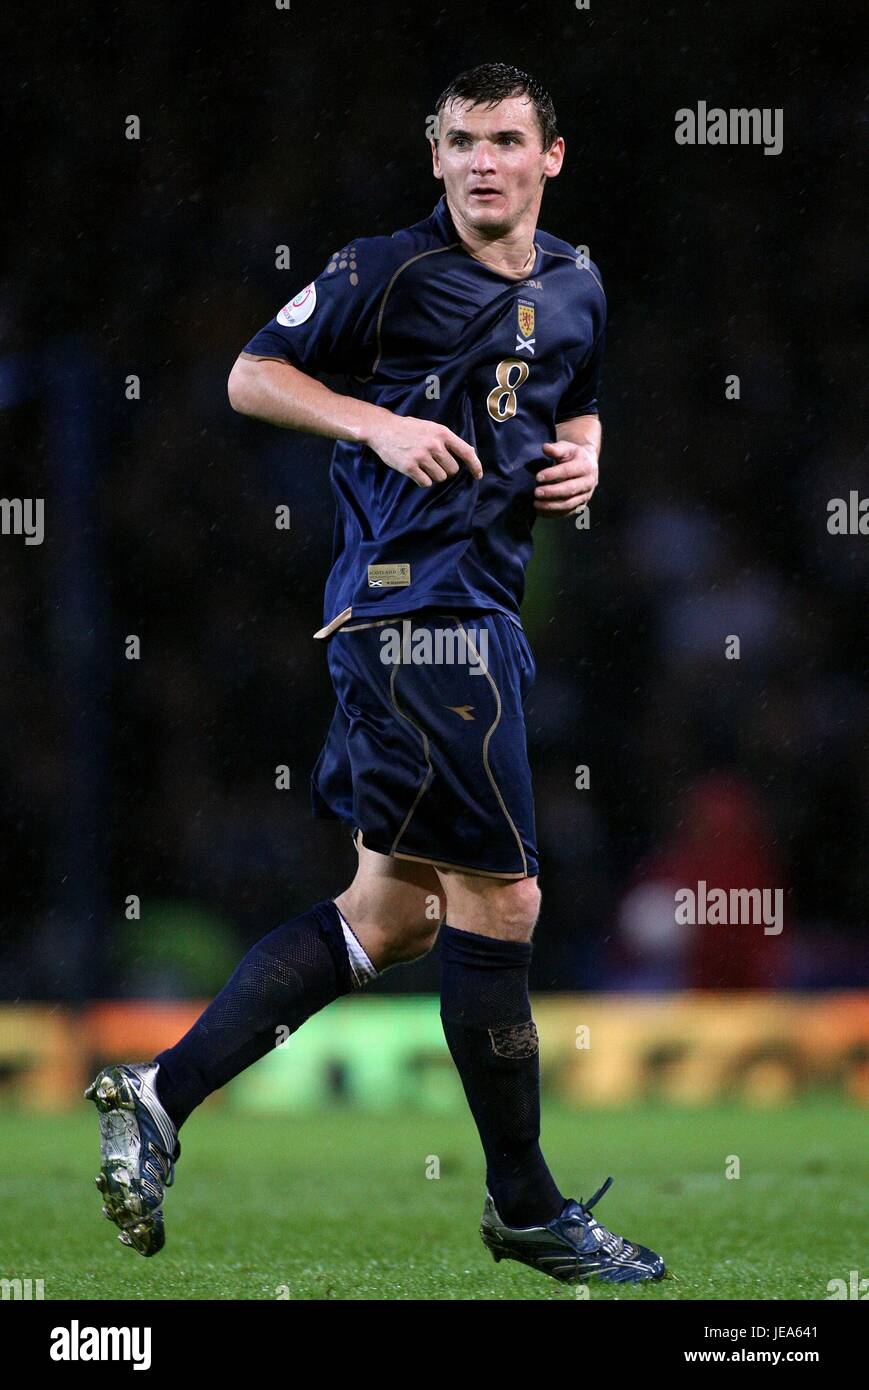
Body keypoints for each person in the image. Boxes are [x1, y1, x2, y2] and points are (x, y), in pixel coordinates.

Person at [87, 62, 665, 1286]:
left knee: (389, 917)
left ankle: (159, 1092)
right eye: (459, 141)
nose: (481, 163)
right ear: (436, 155)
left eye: (506, 140)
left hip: (478, 614)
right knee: (502, 904)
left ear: (549, 157)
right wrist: (371, 421)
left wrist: (586, 458)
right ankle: (525, 1203)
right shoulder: (379, 270)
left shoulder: (577, 284)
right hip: (417, 617)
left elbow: (578, 403)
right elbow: (251, 374)